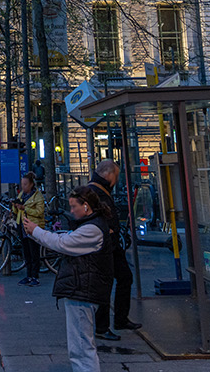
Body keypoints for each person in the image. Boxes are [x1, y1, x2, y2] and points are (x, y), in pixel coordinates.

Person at [22, 185, 115, 372]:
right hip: (82, 288)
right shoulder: (92, 224)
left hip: (83, 290)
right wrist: (36, 234)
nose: (71, 211)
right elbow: (63, 239)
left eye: (74, 206)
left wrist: (37, 231)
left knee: (81, 346)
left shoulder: (92, 229)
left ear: (86, 206)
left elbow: (63, 243)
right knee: (80, 344)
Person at [88, 159, 138, 338]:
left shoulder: (97, 190)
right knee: (106, 284)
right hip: (105, 246)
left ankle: (120, 319)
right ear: (108, 175)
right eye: (116, 176)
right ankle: (103, 327)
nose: (117, 180)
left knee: (124, 277)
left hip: (112, 245)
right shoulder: (96, 192)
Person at [12, 172, 46, 286]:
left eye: (25, 184)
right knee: (26, 252)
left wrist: (25, 208)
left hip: (33, 227)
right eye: (22, 184)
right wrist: (15, 206)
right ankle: (28, 275)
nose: (23, 187)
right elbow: (17, 212)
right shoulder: (21, 194)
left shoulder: (38, 196)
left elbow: (39, 212)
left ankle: (35, 276)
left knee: (34, 252)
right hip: (22, 226)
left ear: (31, 184)